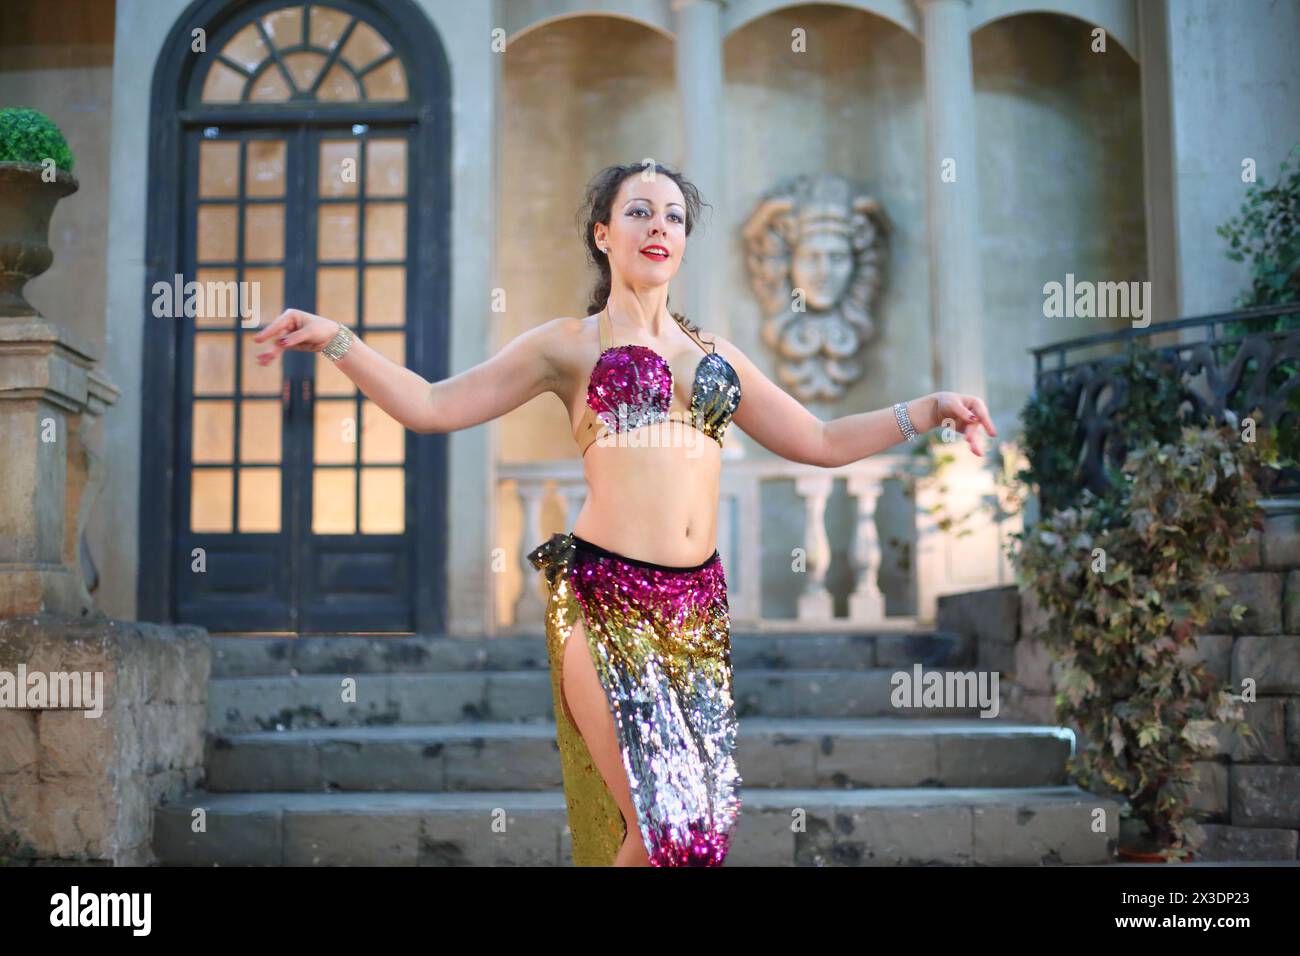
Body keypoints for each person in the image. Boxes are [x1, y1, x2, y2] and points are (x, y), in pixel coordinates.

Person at [253, 160, 996, 867]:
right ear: (603, 234)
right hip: (605, 599)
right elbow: (433, 404)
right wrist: (339, 341)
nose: (658, 225)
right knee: (661, 822)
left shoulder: (718, 356)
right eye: (638, 211)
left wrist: (927, 410)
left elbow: (823, 440)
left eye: (673, 215)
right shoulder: (567, 346)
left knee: (696, 838)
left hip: (695, 610)